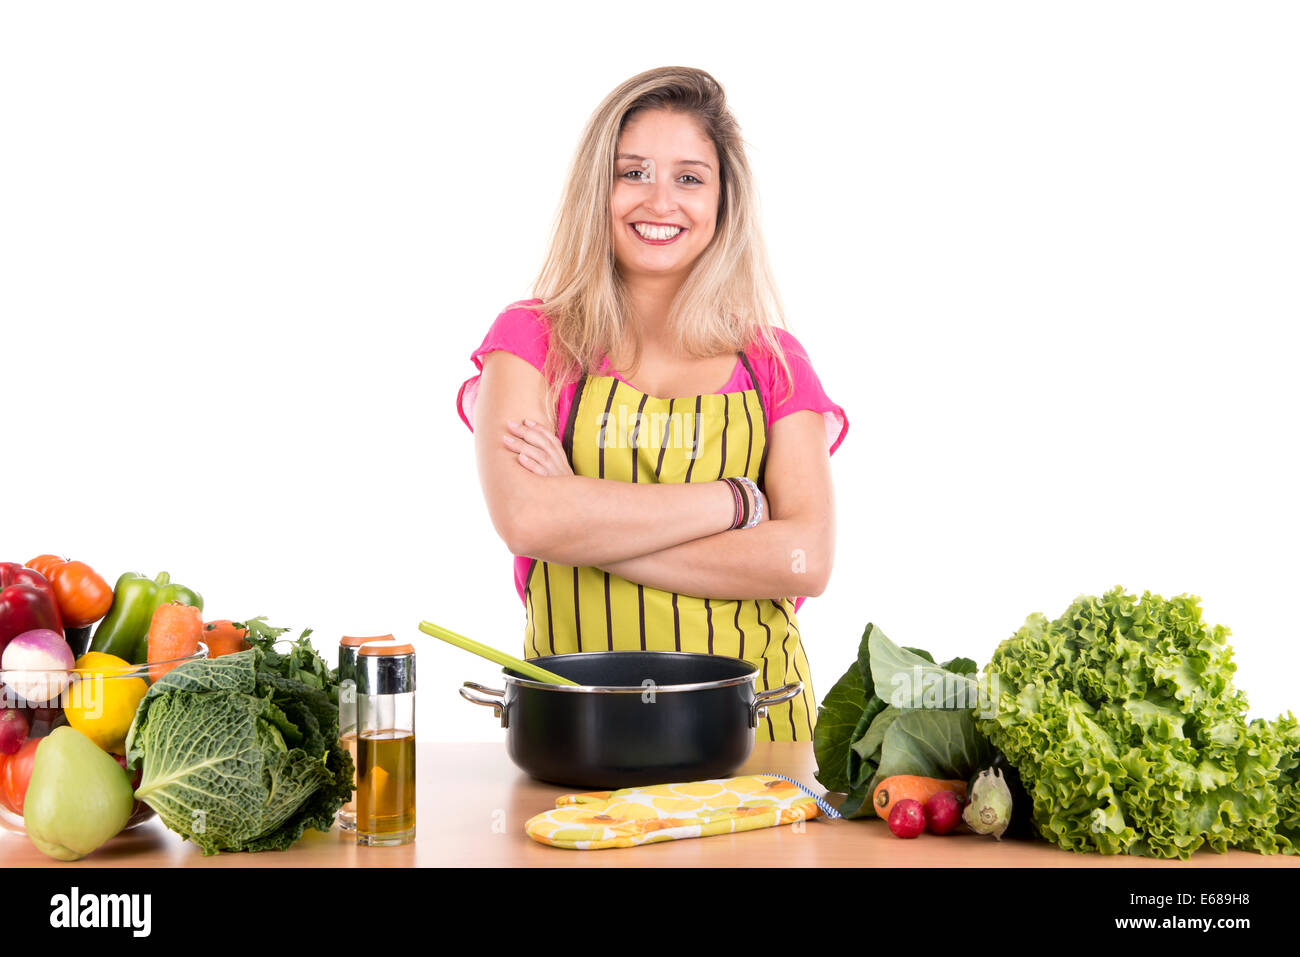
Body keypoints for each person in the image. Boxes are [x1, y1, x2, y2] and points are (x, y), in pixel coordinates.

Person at [455, 66, 848, 741]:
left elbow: (804, 559)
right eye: (632, 172)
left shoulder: (775, 364)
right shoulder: (532, 342)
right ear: (596, 189)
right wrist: (735, 503)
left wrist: (580, 522)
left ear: (724, 199)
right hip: (580, 742)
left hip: (761, 748)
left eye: (689, 177)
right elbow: (527, 518)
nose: (659, 201)